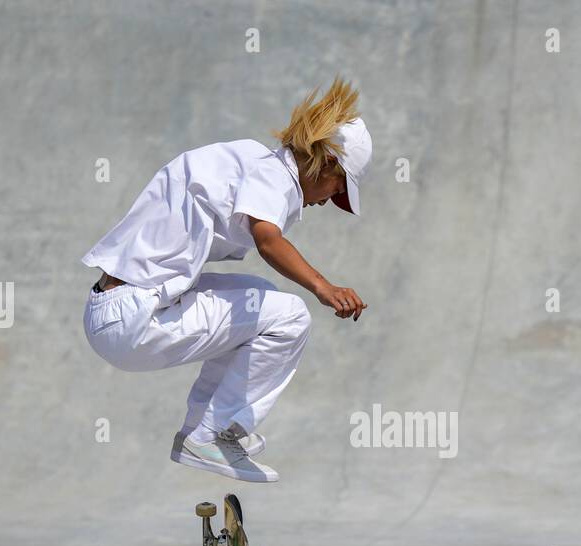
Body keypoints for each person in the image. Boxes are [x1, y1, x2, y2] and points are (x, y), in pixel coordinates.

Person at [80, 77, 371, 481]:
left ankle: (202, 431)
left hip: (115, 309)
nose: (325, 202)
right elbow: (268, 241)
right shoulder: (272, 173)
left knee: (259, 300)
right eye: (337, 190)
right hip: (133, 319)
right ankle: (213, 435)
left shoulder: (246, 162)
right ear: (326, 163)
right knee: (290, 315)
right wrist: (325, 287)